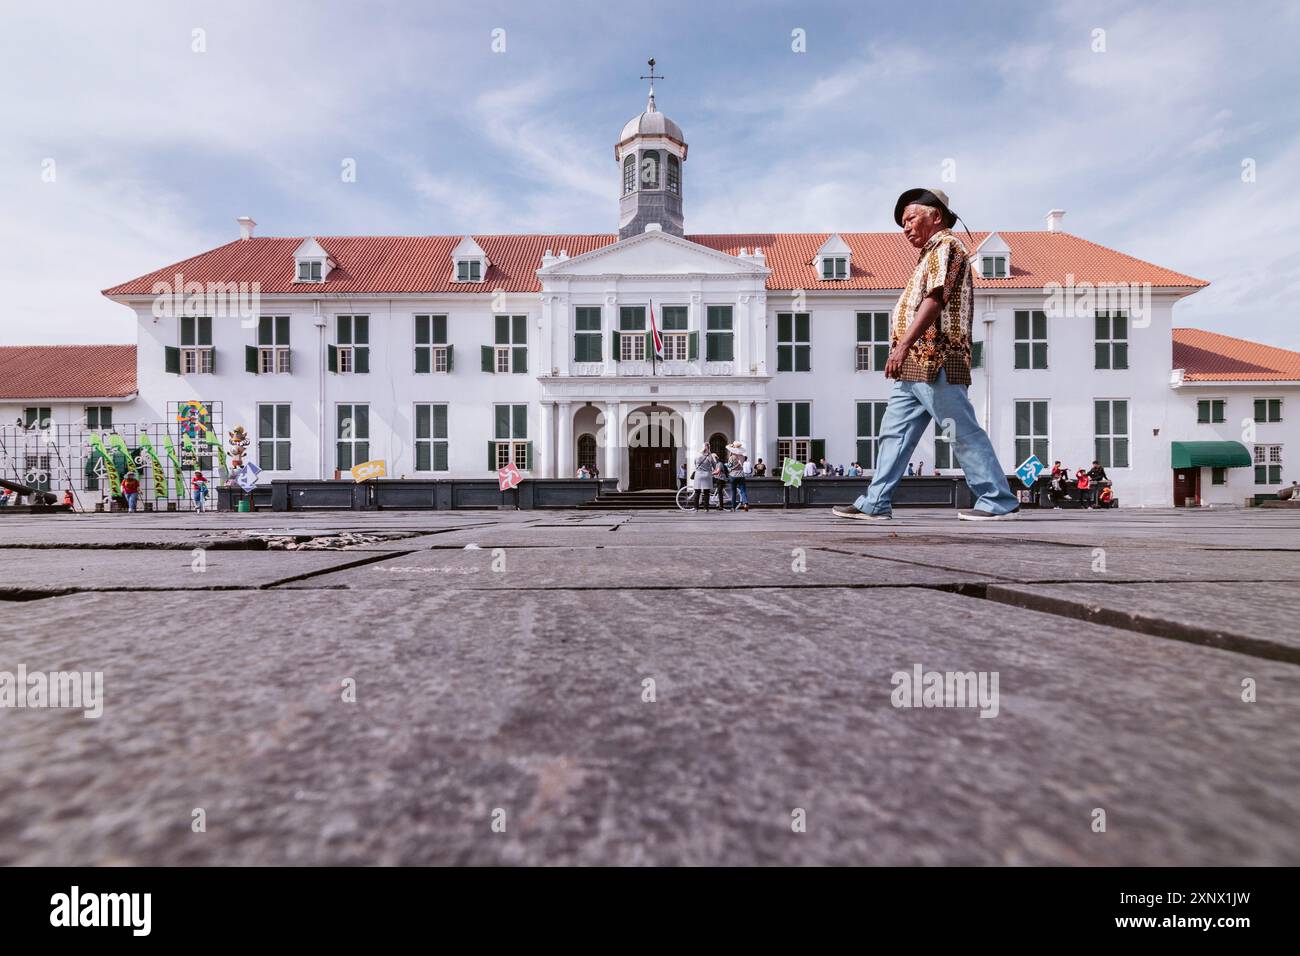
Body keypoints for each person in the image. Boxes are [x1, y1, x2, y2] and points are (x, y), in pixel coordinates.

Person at [833, 187, 1019, 522]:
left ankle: (998, 500)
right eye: (902, 222)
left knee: (960, 430)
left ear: (935, 216)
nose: (904, 227)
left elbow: (935, 299)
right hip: (915, 364)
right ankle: (876, 502)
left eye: (910, 218)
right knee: (895, 433)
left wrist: (902, 344)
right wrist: (904, 351)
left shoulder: (947, 246)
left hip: (938, 357)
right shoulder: (931, 253)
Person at [726, 441, 749, 512]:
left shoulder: (731, 458)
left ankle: (733, 507)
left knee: (733, 492)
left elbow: (729, 467)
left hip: (733, 475)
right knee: (743, 491)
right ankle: (745, 504)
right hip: (741, 475)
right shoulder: (742, 457)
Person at [691, 444, 715, 512]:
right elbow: (714, 465)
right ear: (709, 448)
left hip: (698, 474)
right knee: (706, 492)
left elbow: (695, 463)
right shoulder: (710, 456)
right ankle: (706, 508)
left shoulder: (697, 455)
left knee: (697, 492)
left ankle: (696, 508)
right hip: (707, 475)